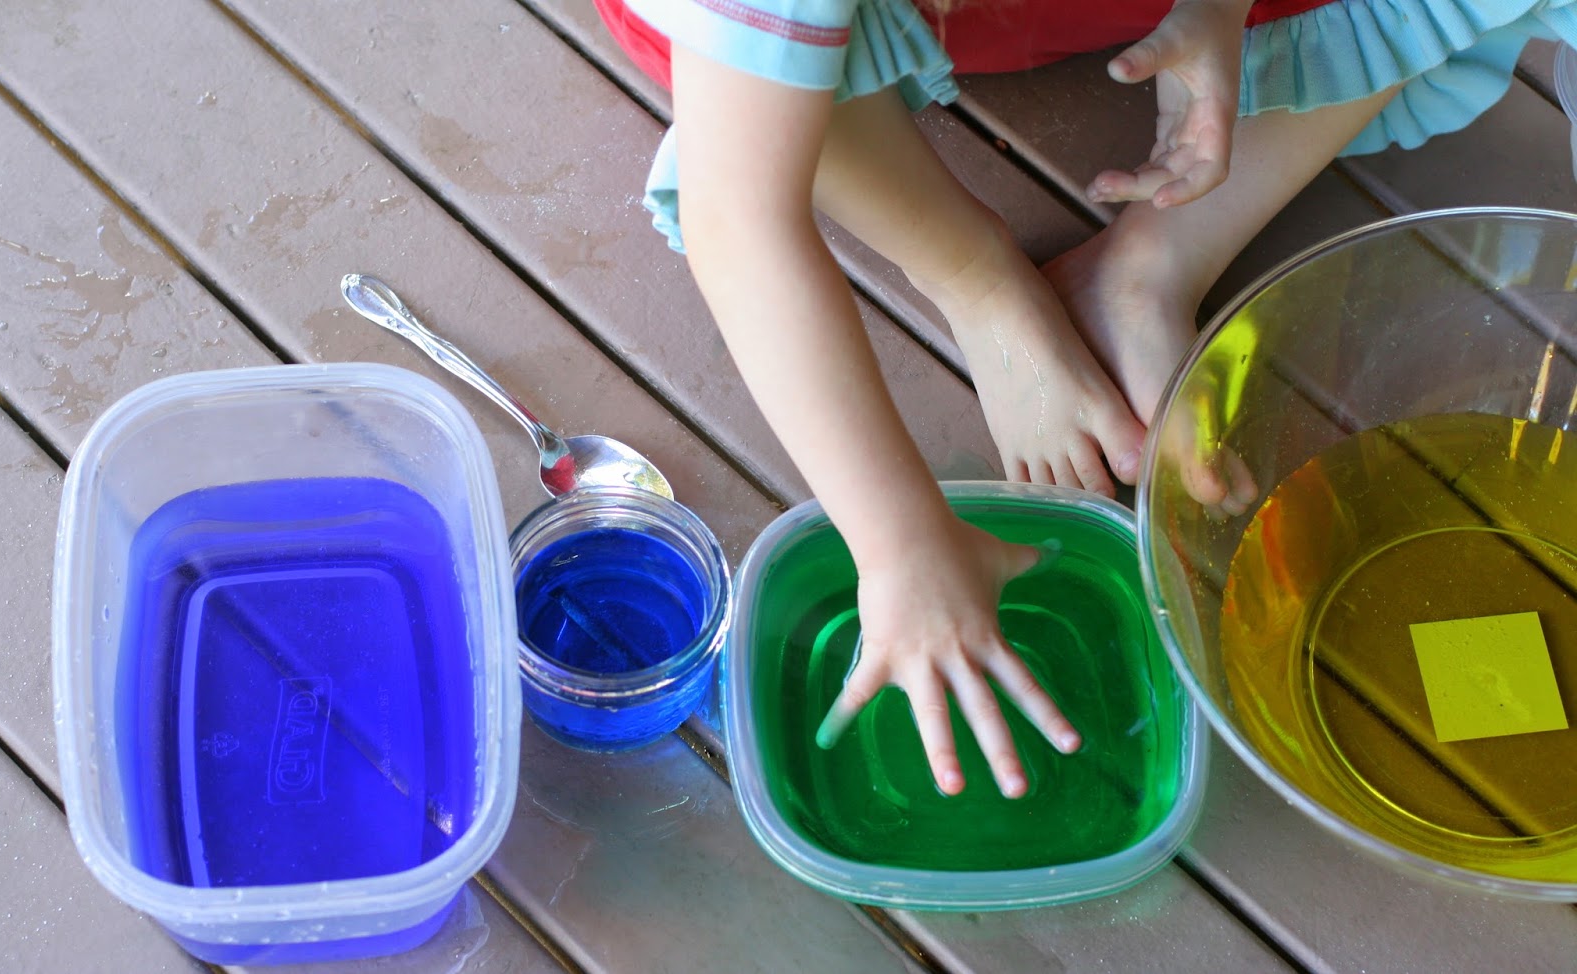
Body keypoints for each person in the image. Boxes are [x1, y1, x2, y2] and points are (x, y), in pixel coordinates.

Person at [590, 0, 1577, 797]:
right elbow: (738, 217)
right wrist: (898, 544)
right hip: (769, 46)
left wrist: (1216, 14)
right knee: (765, 94)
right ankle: (978, 281)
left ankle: (1146, 269)